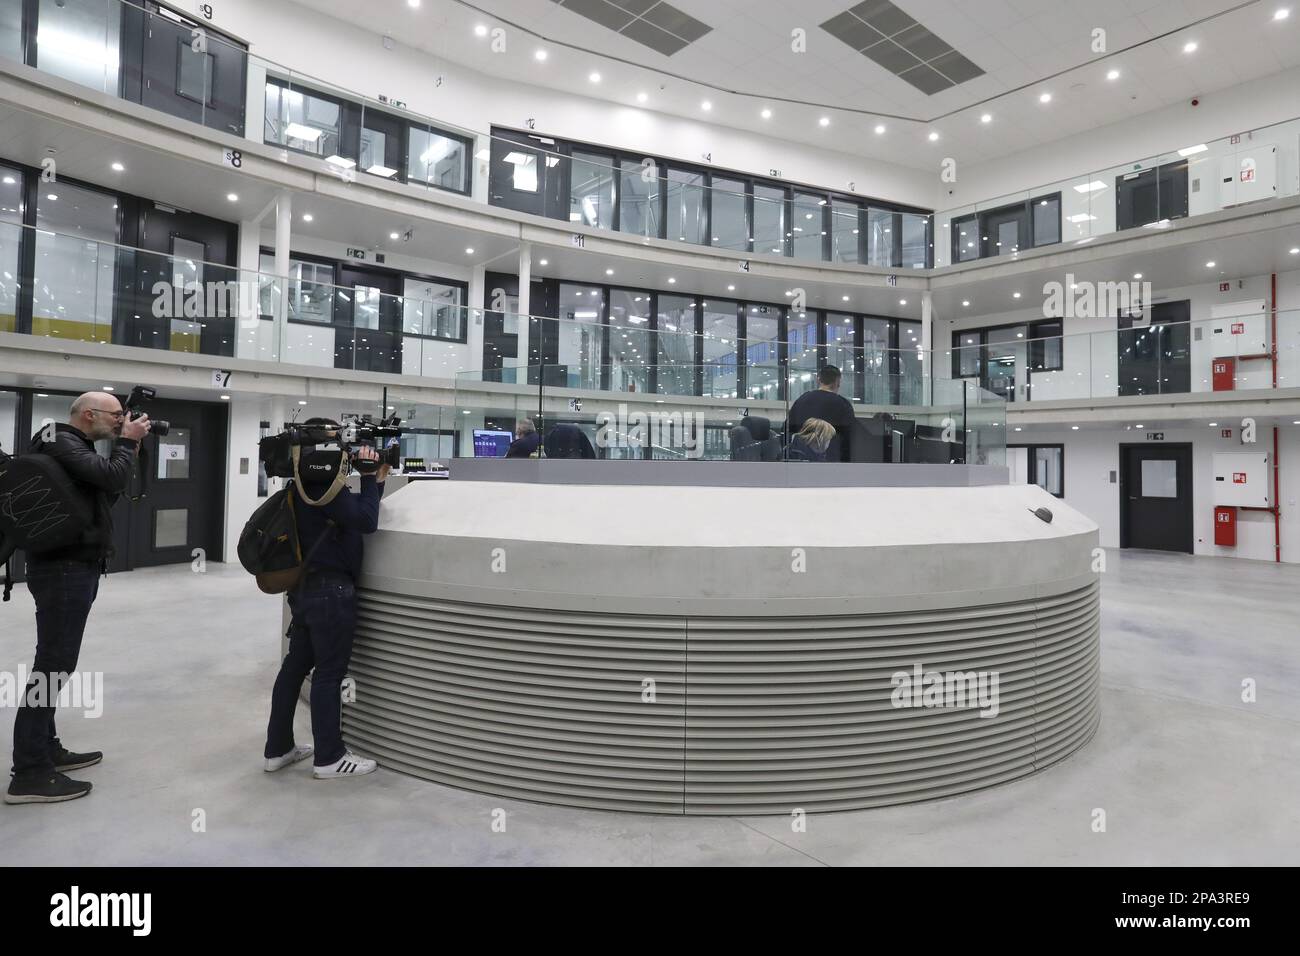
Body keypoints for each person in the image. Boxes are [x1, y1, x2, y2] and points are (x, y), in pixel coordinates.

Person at [6, 392, 150, 805]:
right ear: (89, 415)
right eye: (116, 416)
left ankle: (45, 747)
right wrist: (128, 443)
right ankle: (30, 771)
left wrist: (125, 446)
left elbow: (105, 492)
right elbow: (109, 478)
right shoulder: (61, 441)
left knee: (54, 661)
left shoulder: (66, 444)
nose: (121, 421)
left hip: (69, 565)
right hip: (64, 568)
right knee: (53, 665)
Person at [263, 421, 388, 780]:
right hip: (331, 593)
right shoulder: (322, 484)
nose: (344, 448)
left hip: (305, 590)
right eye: (337, 441)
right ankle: (330, 757)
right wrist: (370, 479)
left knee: (293, 669)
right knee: (329, 674)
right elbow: (365, 521)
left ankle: (278, 749)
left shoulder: (300, 482)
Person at [786, 365, 856, 462]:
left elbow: (786, 429)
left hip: (800, 460)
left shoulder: (802, 400)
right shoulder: (843, 405)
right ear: (838, 382)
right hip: (832, 462)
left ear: (818, 380)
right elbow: (850, 439)